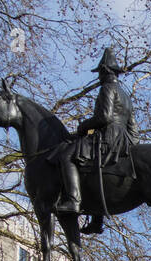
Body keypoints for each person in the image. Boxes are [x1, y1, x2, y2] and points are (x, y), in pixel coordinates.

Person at [51, 48, 137, 215]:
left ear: (105, 71)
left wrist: (83, 126)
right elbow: (133, 127)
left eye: (99, 73)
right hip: (124, 140)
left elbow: (103, 117)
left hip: (107, 136)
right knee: (94, 168)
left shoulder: (107, 88)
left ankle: (73, 201)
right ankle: (96, 217)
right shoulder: (126, 96)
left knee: (67, 156)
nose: (98, 76)